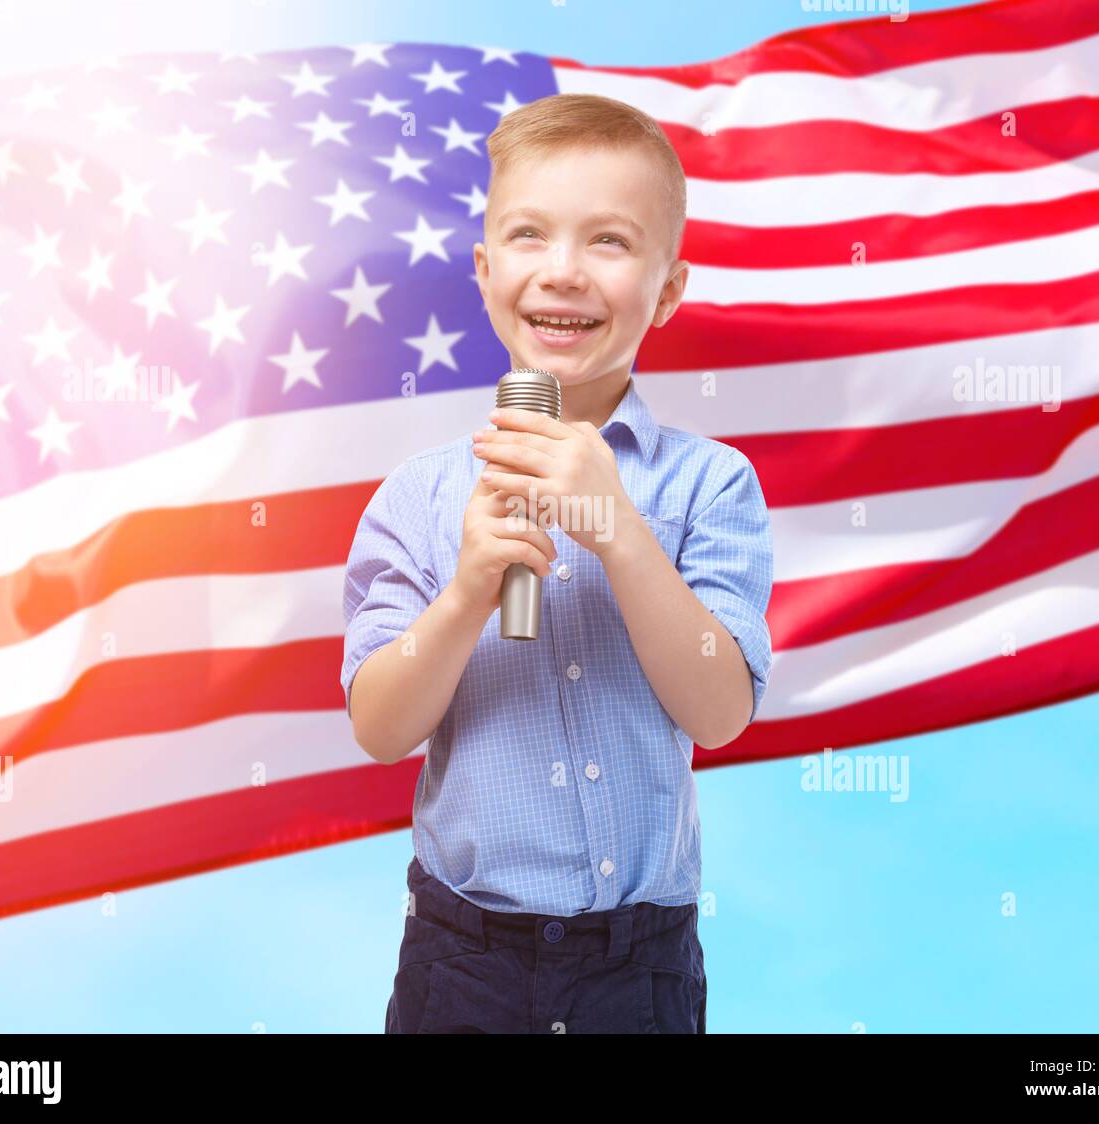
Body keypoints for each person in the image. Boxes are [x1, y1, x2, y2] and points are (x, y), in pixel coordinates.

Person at [341, 92, 774, 1033]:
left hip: (638, 965)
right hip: (463, 957)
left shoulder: (711, 484)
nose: (564, 272)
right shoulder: (416, 498)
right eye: (530, 236)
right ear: (486, 270)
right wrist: (464, 594)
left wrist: (616, 523)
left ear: (666, 291)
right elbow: (379, 726)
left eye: (609, 242)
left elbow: (721, 710)